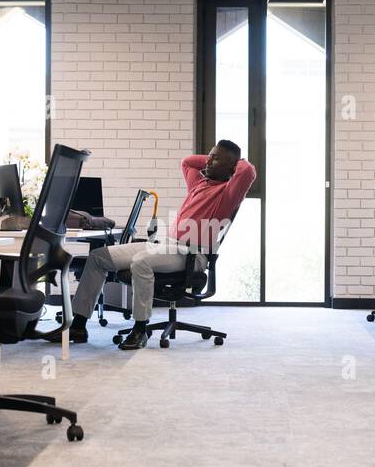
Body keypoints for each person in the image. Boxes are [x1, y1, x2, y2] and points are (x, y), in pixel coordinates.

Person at [61, 140, 257, 350]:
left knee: (141, 262)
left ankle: (140, 329)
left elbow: (248, 171)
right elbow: (188, 162)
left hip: (192, 254)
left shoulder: (228, 193)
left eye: (215, 158)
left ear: (231, 166)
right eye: (209, 156)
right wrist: (214, 159)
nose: (208, 161)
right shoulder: (199, 183)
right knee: (98, 257)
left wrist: (233, 162)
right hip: (166, 245)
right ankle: (78, 326)